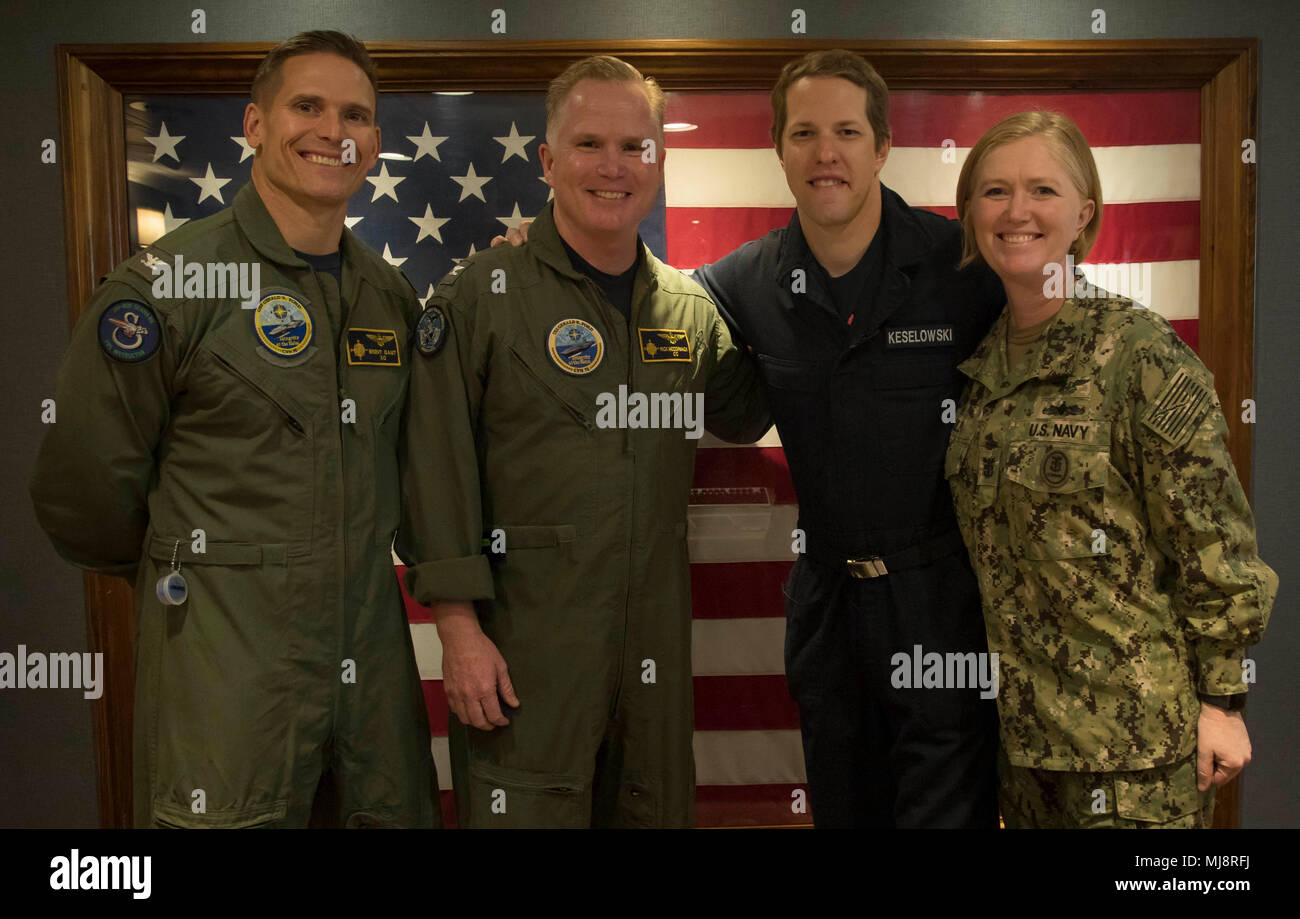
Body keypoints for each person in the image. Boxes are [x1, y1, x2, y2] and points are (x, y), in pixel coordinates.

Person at [30, 31, 439, 828]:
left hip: (369, 675)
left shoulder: (387, 298)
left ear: (377, 144)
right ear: (255, 124)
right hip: (227, 674)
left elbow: (414, 469)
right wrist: (208, 581)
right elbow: (85, 492)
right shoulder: (168, 288)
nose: (332, 130)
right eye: (306, 106)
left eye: (354, 114)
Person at [396, 56, 768, 828]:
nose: (614, 166)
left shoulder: (689, 311)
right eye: (590, 143)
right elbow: (435, 473)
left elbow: (748, 410)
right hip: (527, 657)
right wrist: (459, 633)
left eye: (636, 146)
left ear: (658, 161)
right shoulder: (481, 297)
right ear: (548, 160)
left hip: (653, 663)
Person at [945, 110, 1277, 828]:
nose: (1018, 211)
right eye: (995, 191)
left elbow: (1214, 543)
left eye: (1042, 189)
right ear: (970, 212)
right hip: (1025, 751)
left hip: (1135, 757)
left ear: (1084, 212)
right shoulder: (981, 370)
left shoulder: (1137, 352)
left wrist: (1223, 701)